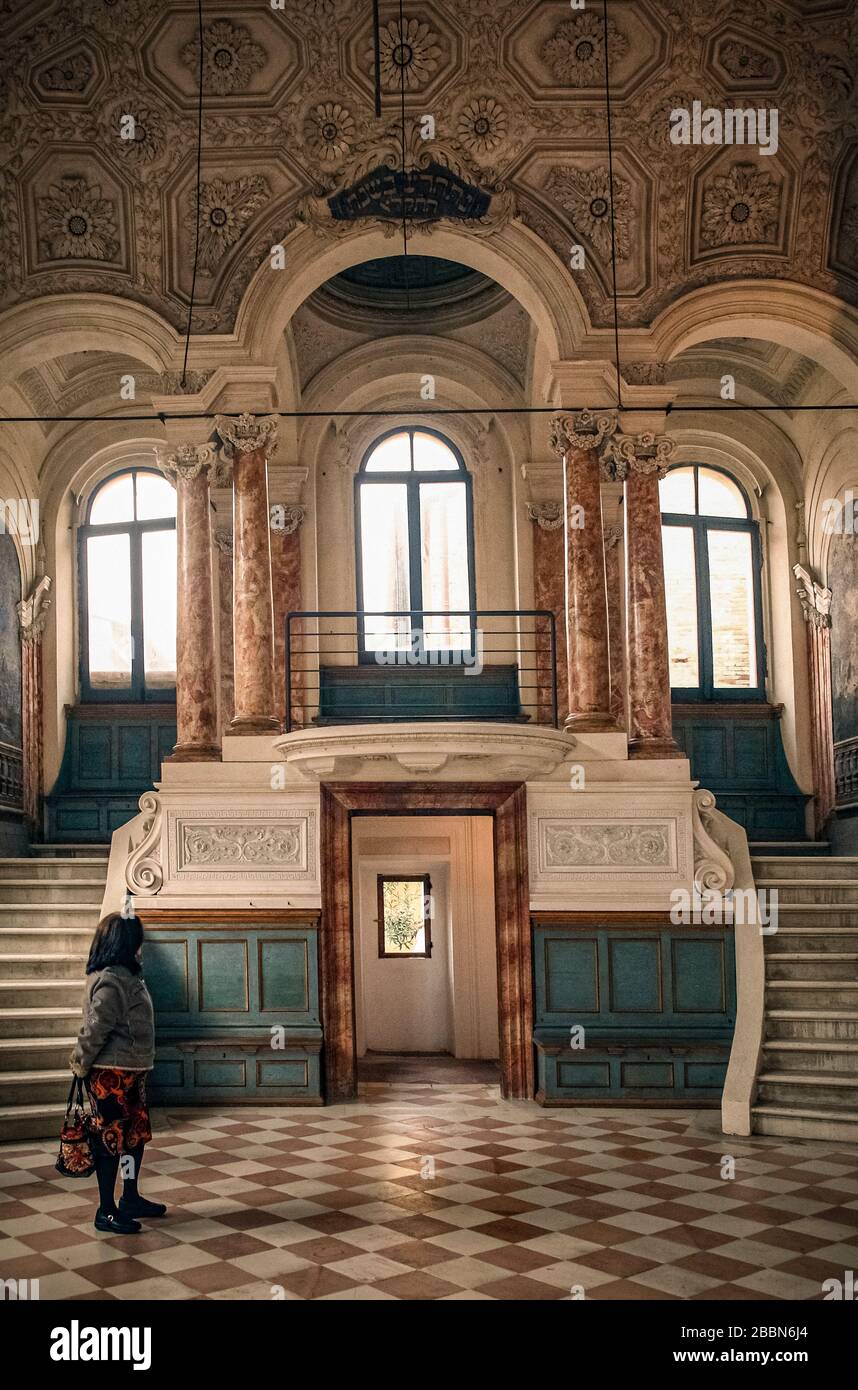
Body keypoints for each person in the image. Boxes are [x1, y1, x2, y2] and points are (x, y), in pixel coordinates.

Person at [70, 911, 165, 1235]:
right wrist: (80, 1061)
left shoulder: (126, 974)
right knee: (110, 1141)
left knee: (133, 1138)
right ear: (123, 942)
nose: (141, 944)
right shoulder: (110, 978)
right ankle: (106, 1210)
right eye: (136, 939)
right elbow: (96, 1028)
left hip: (131, 1072)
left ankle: (130, 1198)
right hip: (111, 1075)